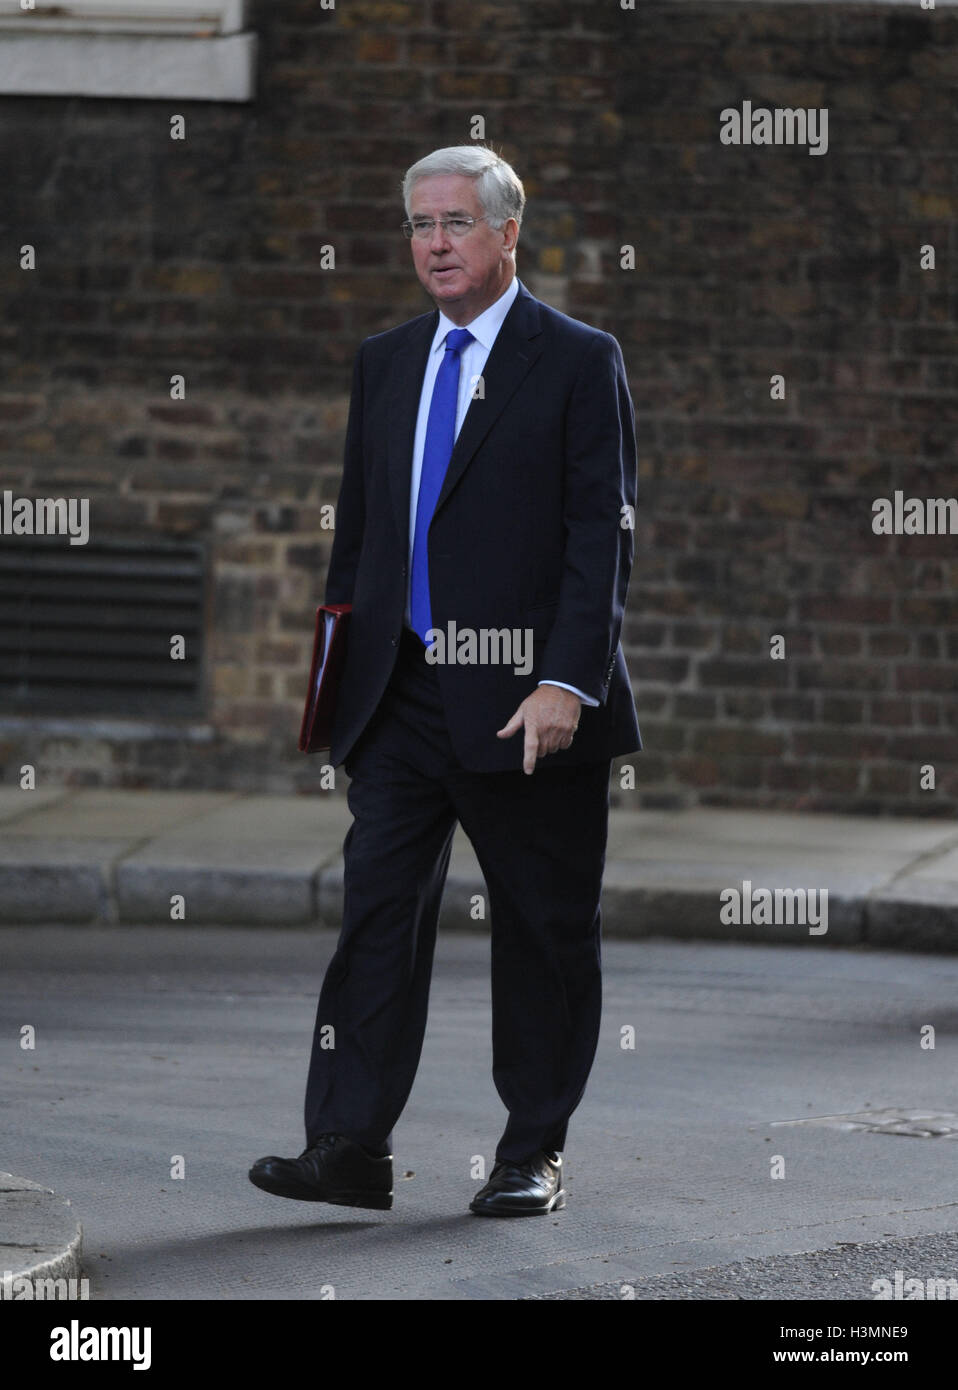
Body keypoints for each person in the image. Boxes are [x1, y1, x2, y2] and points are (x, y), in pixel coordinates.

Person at [250, 145, 641, 1217]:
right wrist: (341, 685)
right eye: (420, 224)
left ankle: (531, 1151)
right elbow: (361, 538)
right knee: (374, 915)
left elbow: (595, 537)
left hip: (526, 703)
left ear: (509, 233)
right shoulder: (384, 360)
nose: (434, 243)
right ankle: (346, 1144)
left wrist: (569, 681)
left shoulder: (574, 358)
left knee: (540, 927)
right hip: (400, 698)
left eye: (456, 223)